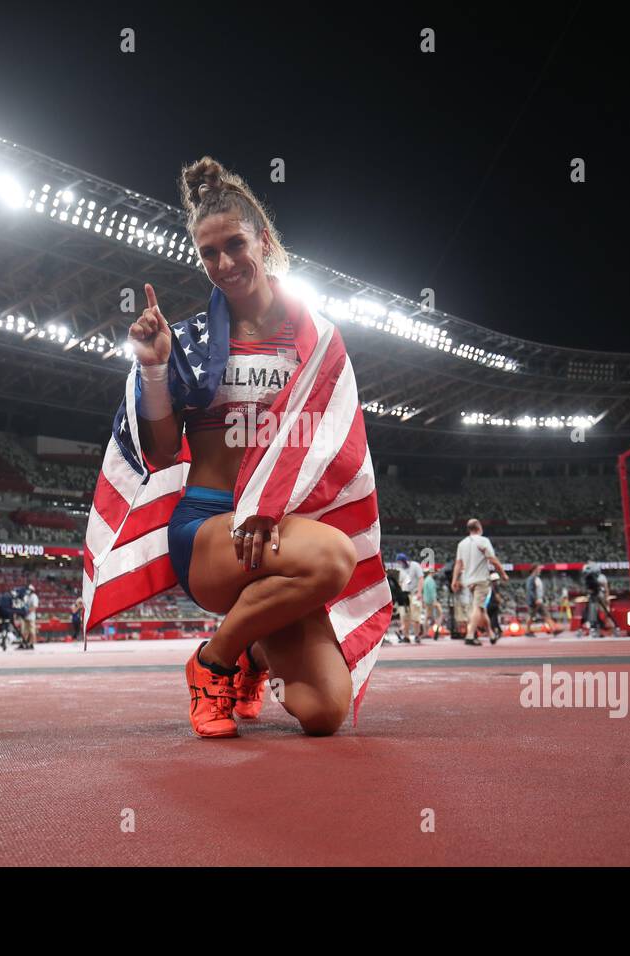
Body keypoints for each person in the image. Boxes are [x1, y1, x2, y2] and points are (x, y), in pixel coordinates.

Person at [108, 155, 387, 738]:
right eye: (208, 253)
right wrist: (155, 371)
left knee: (322, 710)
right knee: (334, 557)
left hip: (282, 537)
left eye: (234, 245)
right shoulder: (187, 341)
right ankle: (212, 661)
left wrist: (272, 505)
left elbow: (336, 443)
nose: (224, 263)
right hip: (210, 529)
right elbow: (160, 454)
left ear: (263, 241)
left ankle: (253, 656)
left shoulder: (314, 341)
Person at [452, 519, 504, 645]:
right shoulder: (483, 541)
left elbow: (458, 564)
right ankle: (470, 635)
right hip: (481, 579)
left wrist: (454, 580)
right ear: (478, 527)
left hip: (468, 581)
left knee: (482, 609)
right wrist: (503, 573)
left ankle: (491, 634)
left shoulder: (462, 543)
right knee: (478, 607)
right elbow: (493, 559)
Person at [395, 552, 425, 643]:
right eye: (399, 562)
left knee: (416, 616)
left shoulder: (415, 565)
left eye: (401, 562)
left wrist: (419, 592)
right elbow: (400, 582)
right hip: (405, 595)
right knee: (405, 617)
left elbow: (421, 578)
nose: (400, 564)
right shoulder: (400, 569)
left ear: (405, 561)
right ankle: (406, 636)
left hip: (415, 593)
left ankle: (417, 636)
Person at [580, 562, 614, 638]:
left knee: (604, 612)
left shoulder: (601, 577)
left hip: (599, 596)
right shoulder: (588, 577)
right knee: (591, 612)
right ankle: (594, 627)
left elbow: (605, 588)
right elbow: (588, 587)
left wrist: (606, 598)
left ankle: (607, 625)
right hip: (593, 597)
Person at [523, 564, 556, 635]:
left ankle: (554, 629)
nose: (540, 570)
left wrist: (542, 599)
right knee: (531, 616)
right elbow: (530, 590)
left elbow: (540, 590)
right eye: (538, 569)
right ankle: (527, 631)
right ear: (534, 569)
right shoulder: (531, 579)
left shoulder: (537, 578)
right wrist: (535, 599)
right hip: (534, 601)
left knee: (546, 615)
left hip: (539, 601)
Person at [421, 569, 442, 640]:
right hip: (432, 601)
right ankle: (436, 630)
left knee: (427, 616)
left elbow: (424, 592)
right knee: (440, 614)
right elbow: (432, 592)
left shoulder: (426, 580)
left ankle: (425, 633)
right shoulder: (430, 581)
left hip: (427, 601)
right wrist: (435, 601)